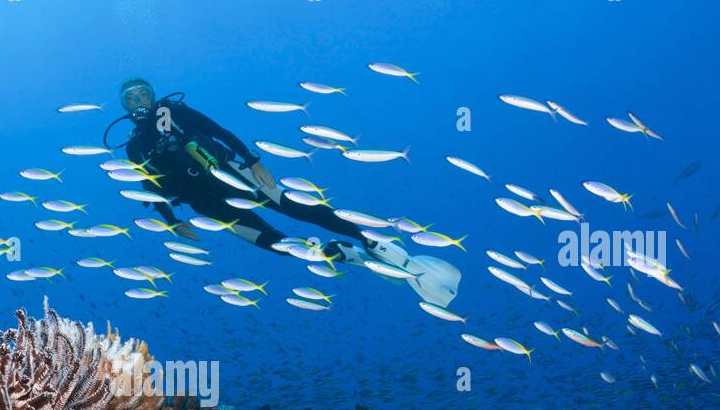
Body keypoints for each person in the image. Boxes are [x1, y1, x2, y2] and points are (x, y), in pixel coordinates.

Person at [112, 78, 460, 306]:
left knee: (299, 208)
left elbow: (218, 130)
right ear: (124, 106)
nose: (138, 99)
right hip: (207, 205)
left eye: (142, 93)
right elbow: (151, 187)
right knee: (273, 244)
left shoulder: (175, 111)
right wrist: (173, 223)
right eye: (130, 97)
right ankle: (340, 254)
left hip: (236, 175)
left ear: (153, 95)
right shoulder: (134, 147)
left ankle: (368, 239)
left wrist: (252, 159)